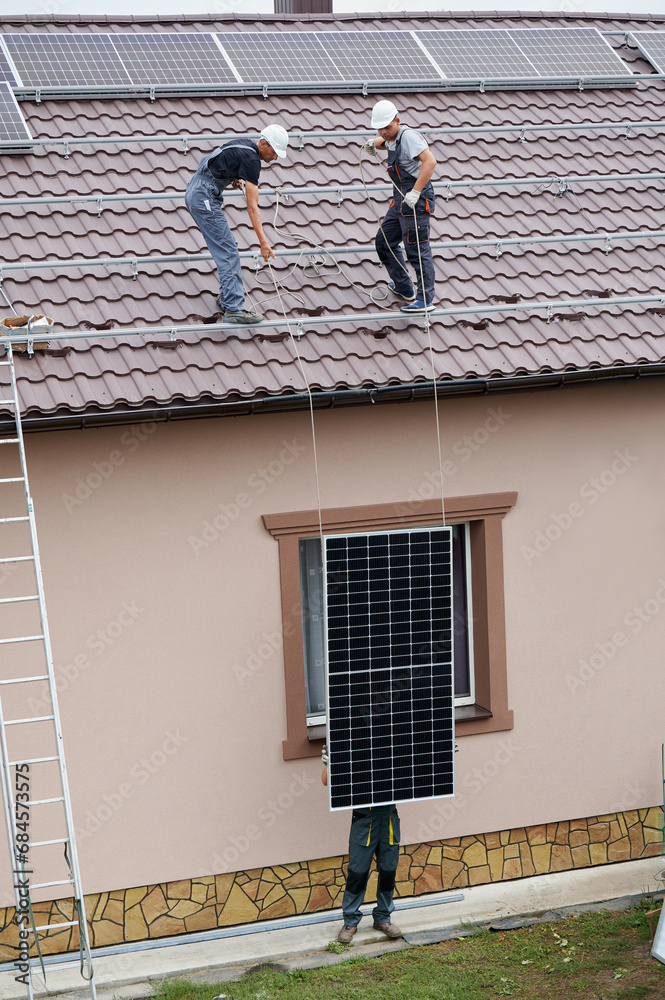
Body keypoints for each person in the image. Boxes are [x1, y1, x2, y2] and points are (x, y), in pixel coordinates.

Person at [185, 124, 289, 325]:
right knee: (228, 249)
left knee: (226, 246)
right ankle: (233, 308)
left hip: (196, 189)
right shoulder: (252, 161)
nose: (275, 158)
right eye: (275, 152)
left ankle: (227, 296)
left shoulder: (244, 146)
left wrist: (232, 178)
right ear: (264, 144)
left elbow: (216, 161)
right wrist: (263, 243)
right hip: (203, 196)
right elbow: (252, 207)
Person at [322, 746, 402, 944]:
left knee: (388, 870)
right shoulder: (352, 741)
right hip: (364, 820)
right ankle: (350, 921)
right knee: (357, 872)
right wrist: (329, 763)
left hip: (389, 818)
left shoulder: (392, 738)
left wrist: (442, 752)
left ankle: (383, 918)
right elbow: (325, 781)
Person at [363, 100, 437, 314]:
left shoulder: (410, 138)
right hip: (400, 201)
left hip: (416, 200)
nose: (383, 132)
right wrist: (373, 143)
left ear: (398, 120)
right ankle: (404, 287)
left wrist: (415, 192)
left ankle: (425, 299)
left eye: (387, 127)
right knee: (384, 241)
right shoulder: (391, 138)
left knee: (417, 250)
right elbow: (386, 142)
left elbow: (430, 162)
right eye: (380, 129)